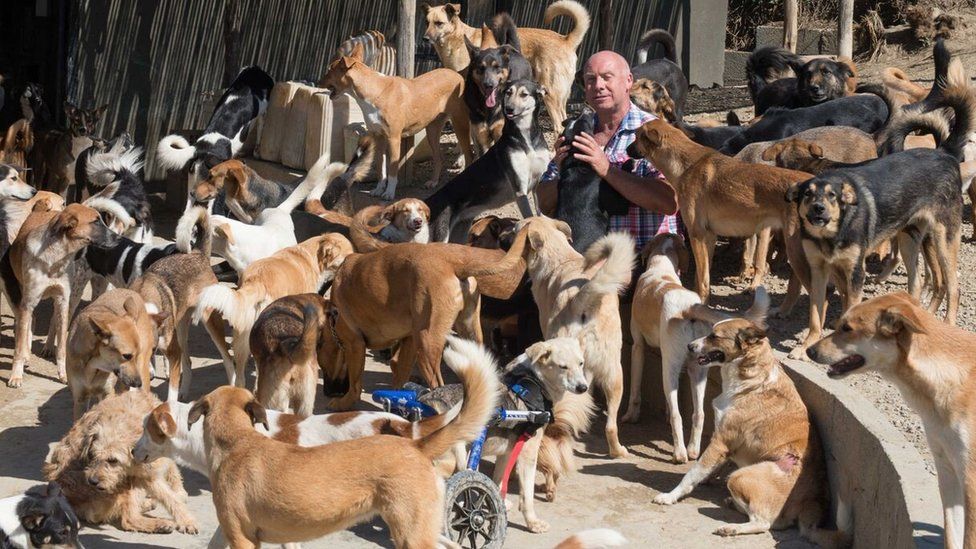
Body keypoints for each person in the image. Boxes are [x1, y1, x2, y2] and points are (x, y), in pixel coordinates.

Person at [535, 50, 679, 248]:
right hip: (583, 260)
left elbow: (669, 202)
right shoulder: (576, 131)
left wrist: (606, 169)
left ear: (629, 81)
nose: (598, 86)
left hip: (644, 261)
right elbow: (543, 202)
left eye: (606, 78)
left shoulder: (656, 133)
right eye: (591, 79)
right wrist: (565, 174)